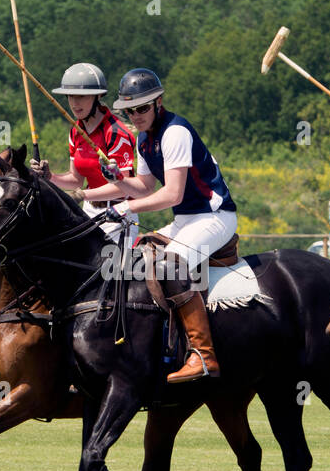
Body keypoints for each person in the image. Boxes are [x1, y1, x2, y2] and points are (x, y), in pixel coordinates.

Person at [80, 68, 236, 383]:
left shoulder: (174, 132)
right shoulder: (144, 140)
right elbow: (145, 187)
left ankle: (203, 356)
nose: (135, 115)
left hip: (214, 216)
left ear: (157, 103)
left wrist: (126, 206)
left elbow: (172, 193)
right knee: (136, 260)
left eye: (141, 108)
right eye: (129, 110)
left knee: (172, 266)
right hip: (186, 220)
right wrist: (116, 182)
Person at [33, 63, 138, 247]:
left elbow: (124, 188)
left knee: (107, 272)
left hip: (118, 213)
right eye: (70, 96)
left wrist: (82, 194)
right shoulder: (76, 131)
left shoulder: (115, 132)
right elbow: (76, 179)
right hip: (88, 211)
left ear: (97, 96)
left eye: (81, 96)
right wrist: (50, 177)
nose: (74, 103)